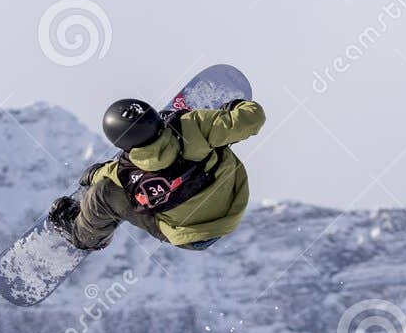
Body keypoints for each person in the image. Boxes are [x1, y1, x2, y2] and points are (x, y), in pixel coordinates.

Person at [49, 96, 266, 253]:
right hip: (232, 203)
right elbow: (254, 118)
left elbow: (100, 176)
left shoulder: (123, 173)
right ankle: (223, 133)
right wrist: (235, 108)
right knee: (210, 145)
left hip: (189, 237)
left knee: (103, 194)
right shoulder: (194, 125)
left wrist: (92, 174)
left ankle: (83, 236)